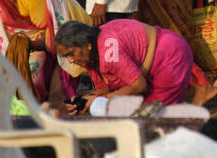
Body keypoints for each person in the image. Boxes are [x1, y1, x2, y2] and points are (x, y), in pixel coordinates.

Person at [55, 18, 193, 109]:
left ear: (86, 45)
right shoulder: (89, 52)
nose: (70, 60)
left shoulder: (109, 53)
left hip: (169, 54)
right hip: (157, 52)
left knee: (157, 119)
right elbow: (105, 90)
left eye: (70, 54)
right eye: (66, 56)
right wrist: (83, 101)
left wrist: (102, 100)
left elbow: (138, 86)